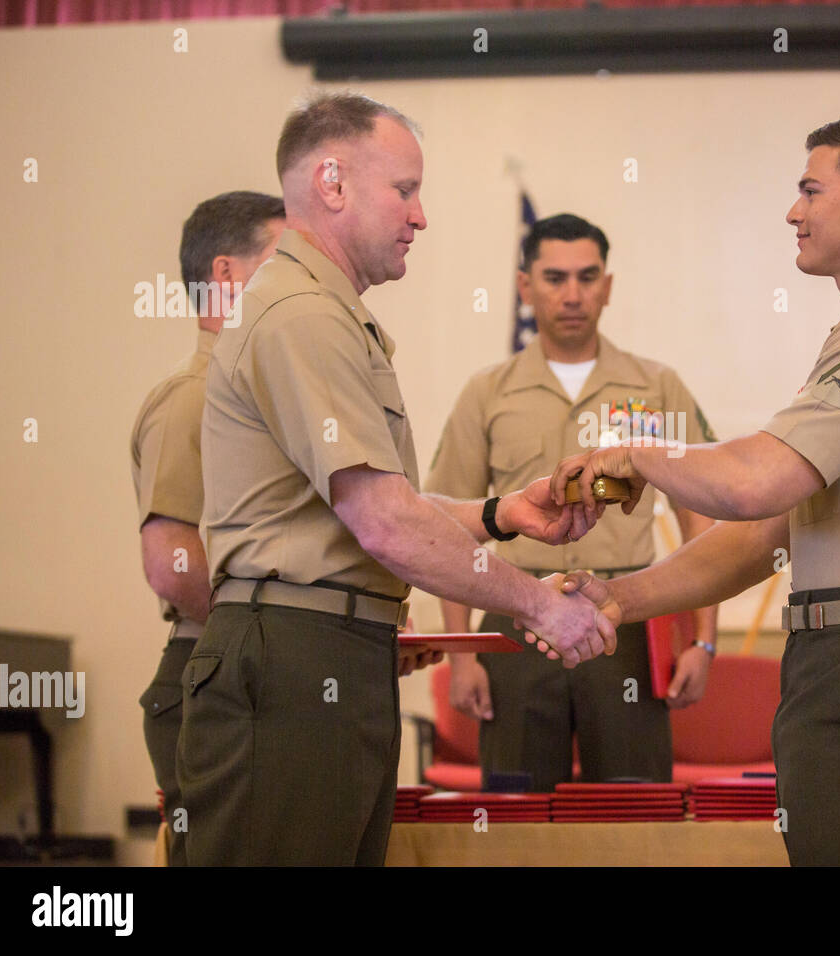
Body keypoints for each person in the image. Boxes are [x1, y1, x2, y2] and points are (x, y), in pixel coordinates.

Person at [178, 92, 615, 866]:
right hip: (292, 657)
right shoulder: (302, 315)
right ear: (333, 184)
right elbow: (383, 522)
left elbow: (379, 506)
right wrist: (539, 605)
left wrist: (502, 512)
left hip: (331, 650)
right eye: (405, 191)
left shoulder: (329, 313)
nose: (421, 217)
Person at [545, 113, 840, 865]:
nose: (794, 210)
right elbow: (767, 529)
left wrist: (638, 453)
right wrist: (623, 600)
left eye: (810, 189)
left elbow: (758, 480)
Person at [426, 213, 719, 791]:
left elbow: (701, 519)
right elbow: (447, 525)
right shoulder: (487, 393)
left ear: (607, 286)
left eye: (587, 277)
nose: (572, 294)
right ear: (524, 286)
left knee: (636, 810)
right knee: (516, 809)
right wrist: (461, 655)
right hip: (514, 621)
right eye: (555, 278)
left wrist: (703, 641)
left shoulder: (657, 388)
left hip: (625, 622)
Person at [130, 190, 285, 865]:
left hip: (250, 672)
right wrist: (281, 639)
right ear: (225, 275)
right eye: (282, 264)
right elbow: (173, 563)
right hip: (209, 671)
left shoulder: (256, 394)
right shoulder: (194, 398)